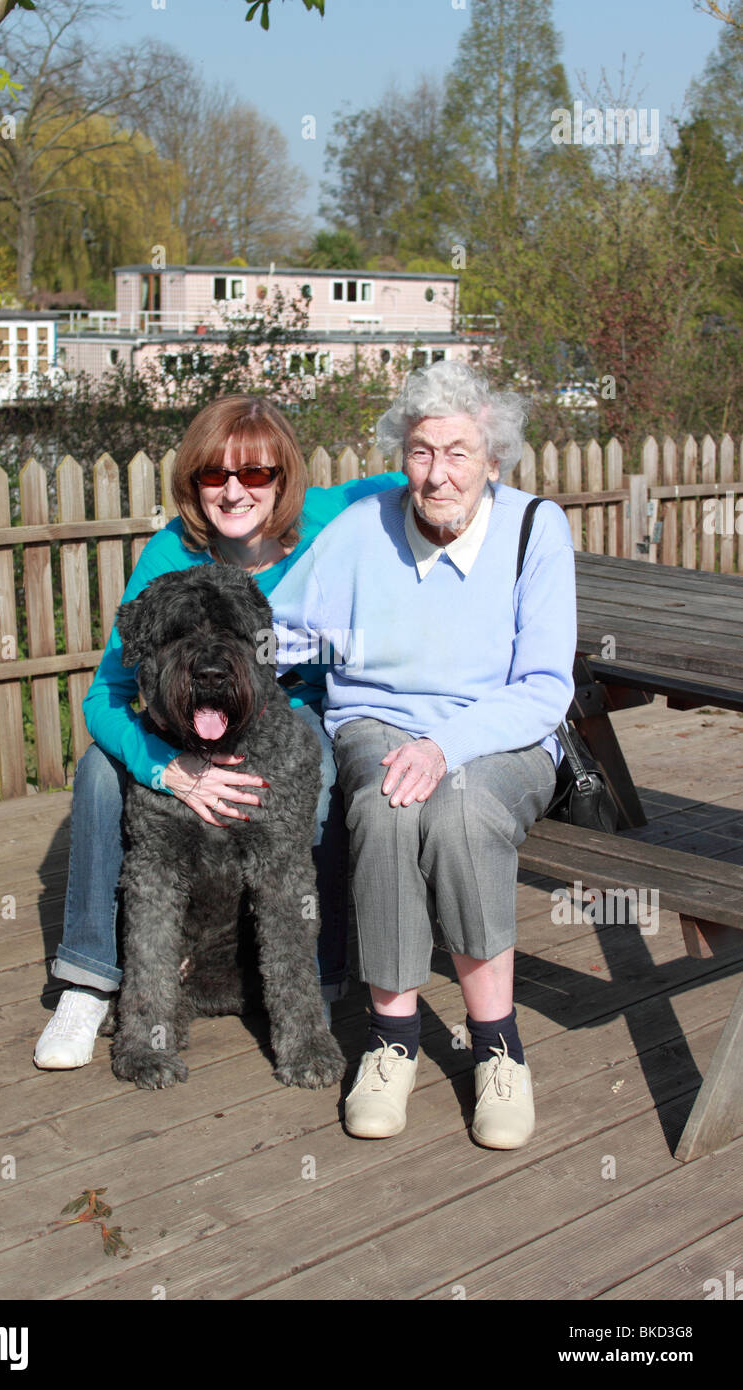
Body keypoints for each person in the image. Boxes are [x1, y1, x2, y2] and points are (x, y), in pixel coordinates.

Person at [34, 395, 406, 1069]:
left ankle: (311, 995)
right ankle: (89, 980)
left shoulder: (325, 520)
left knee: (313, 776)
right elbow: (106, 694)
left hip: (291, 710)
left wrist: (471, 468)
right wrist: (164, 768)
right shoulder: (169, 555)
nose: (234, 491)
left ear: (283, 479)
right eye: (214, 475)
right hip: (183, 720)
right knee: (97, 773)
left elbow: (410, 477)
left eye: (255, 474)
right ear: (193, 482)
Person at [271, 360, 576, 1148]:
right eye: (420, 452)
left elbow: (545, 688)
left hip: (500, 732)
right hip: (377, 721)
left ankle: (498, 1047)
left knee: (462, 811)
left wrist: (447, 745)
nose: (437, 475)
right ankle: (391, 1039)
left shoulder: (536, 528)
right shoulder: (360, 529)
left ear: (494, 461)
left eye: (458, 453)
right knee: (384, 803)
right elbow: (279, 628)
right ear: (400, 455)